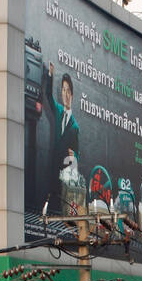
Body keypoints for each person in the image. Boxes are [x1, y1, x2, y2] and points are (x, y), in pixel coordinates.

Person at [41, 64, 80, 210]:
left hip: (64, 175)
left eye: (68, 91)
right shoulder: (57, 110)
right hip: (52, 167)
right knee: (48, 207)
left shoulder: (75, 127)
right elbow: (48, 96)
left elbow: (77, 153)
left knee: (60, 208)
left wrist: (74, 155)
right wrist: (50, 75)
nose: (65, 94)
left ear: (72, 95)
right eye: (63, 90)